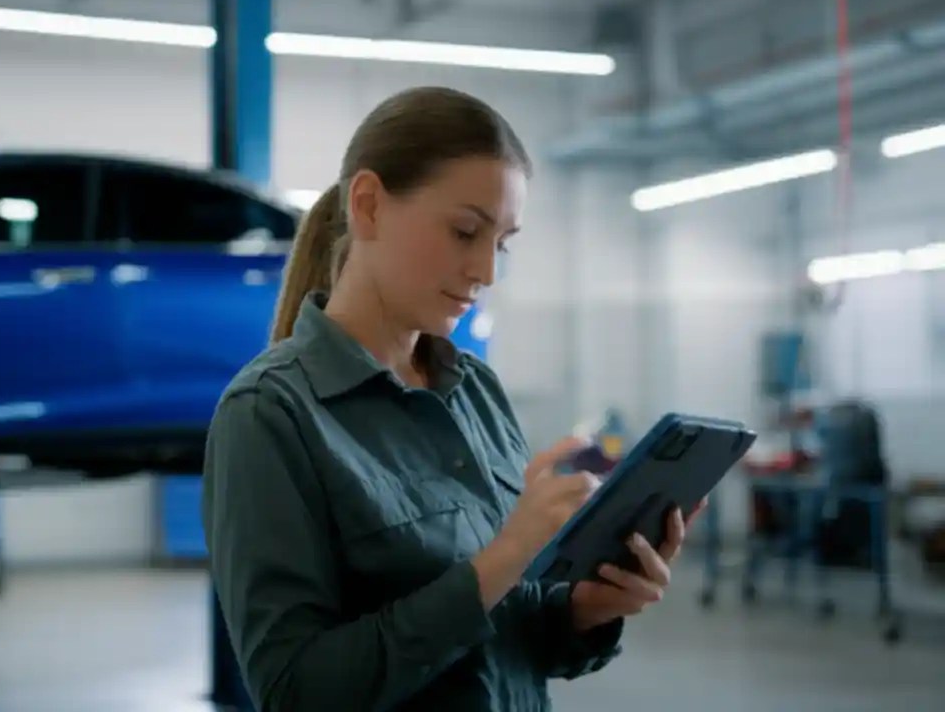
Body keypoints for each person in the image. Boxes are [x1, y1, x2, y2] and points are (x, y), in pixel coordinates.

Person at [201, 86, 702, 712]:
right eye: (465, 231)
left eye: (503, 242)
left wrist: (587, 610)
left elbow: (514, 638)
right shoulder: (270, 414)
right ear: (368, 206)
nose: (486, 272)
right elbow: (296, 690)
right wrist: (505, 556)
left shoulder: (477, 392)